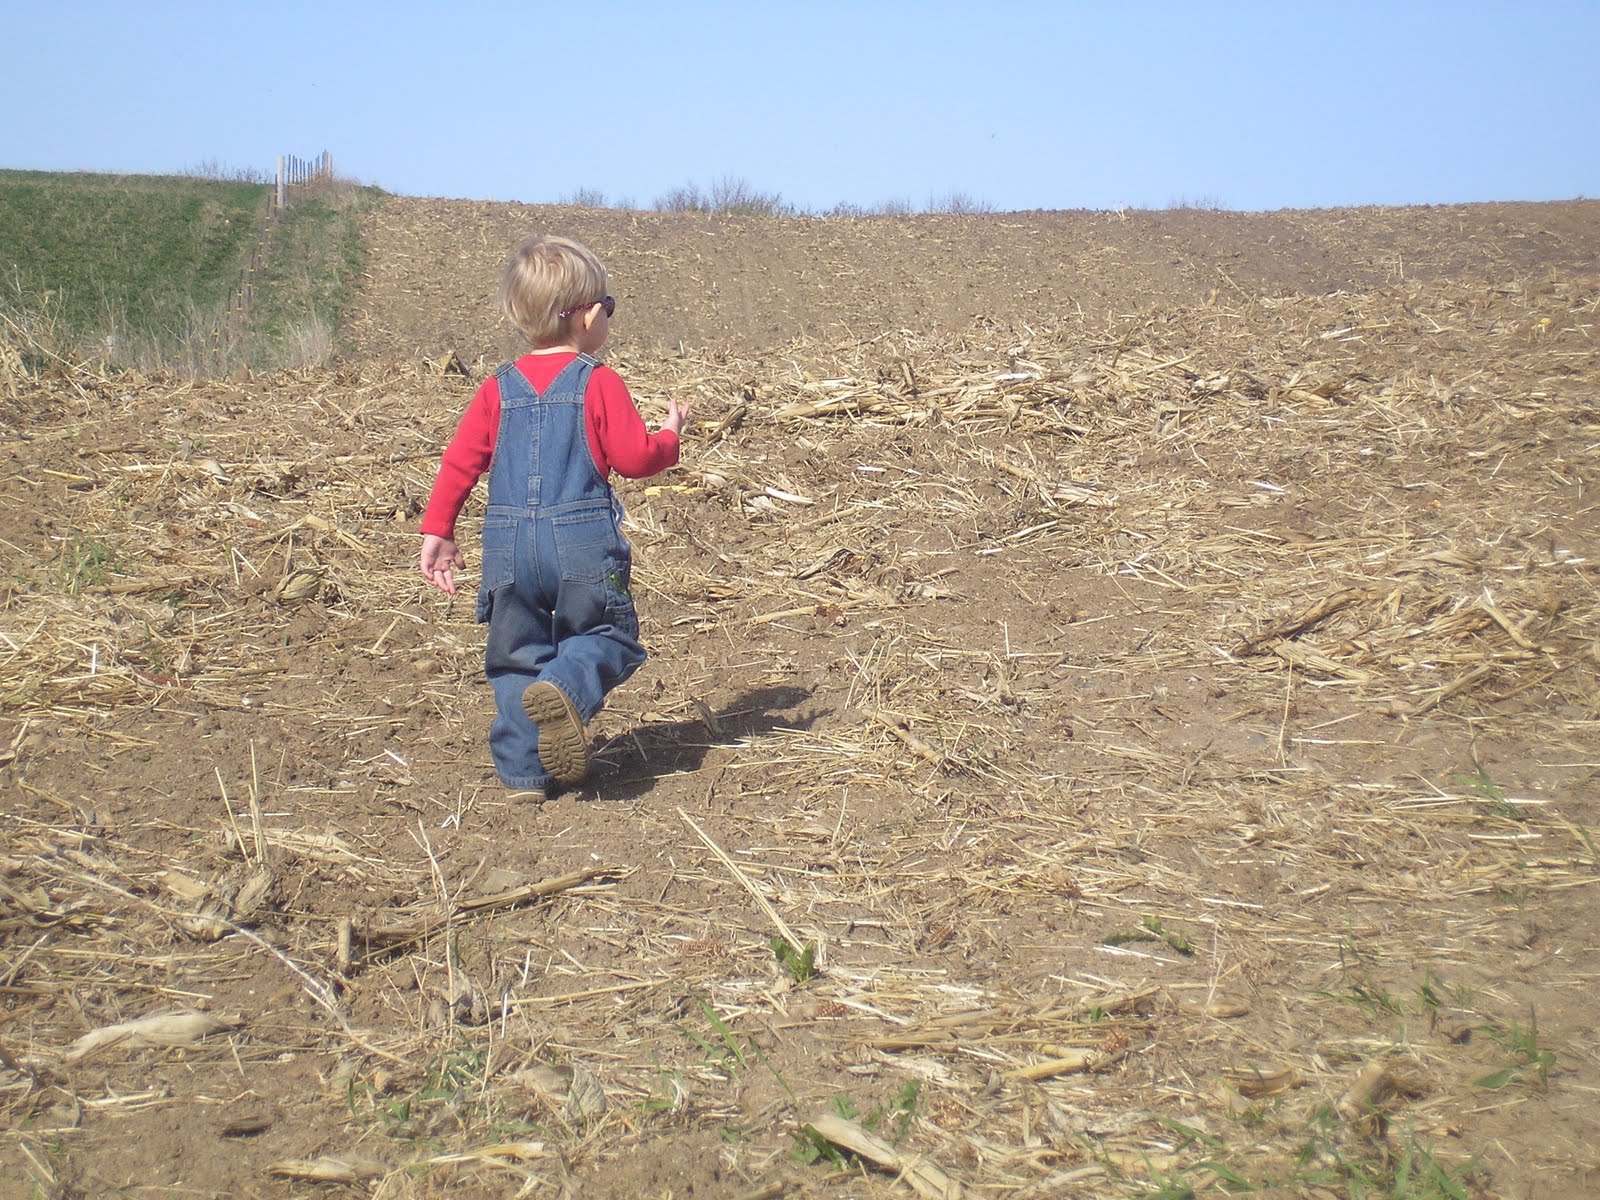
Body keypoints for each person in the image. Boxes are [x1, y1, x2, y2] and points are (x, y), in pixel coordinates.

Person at [418, 235, 689, 797]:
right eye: (608, 309)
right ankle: (567, 687)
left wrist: (438, 530)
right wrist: (670, 436)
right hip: (581, 540)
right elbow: (635, 459)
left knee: (516, 657)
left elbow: (459, 463)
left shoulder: (496, 388)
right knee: (608, 633)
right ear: (590, 316)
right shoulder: (598, 381)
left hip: (507, 546)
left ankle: (524, 775)